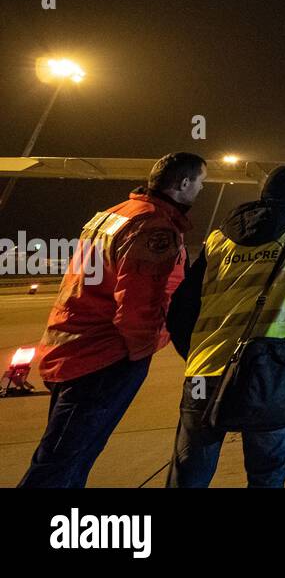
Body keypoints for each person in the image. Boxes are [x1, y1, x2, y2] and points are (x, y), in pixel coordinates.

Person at [19, 152, 206, 488]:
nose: (201, 190)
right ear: (183, 183)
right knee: (57, 468)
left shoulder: (112, 215)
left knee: (69, 463)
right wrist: (141, 351)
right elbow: (137, 304)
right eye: (200, 182)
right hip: (104, 358)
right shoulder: (155, 227)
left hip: (70, 347)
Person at [164, 165, 285, 487]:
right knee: (267, 470)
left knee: (189, 468)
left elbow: (182, 303)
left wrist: (193, 351)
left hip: (206, 369)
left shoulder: (218, 238)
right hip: (273, 368)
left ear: (263, 191)